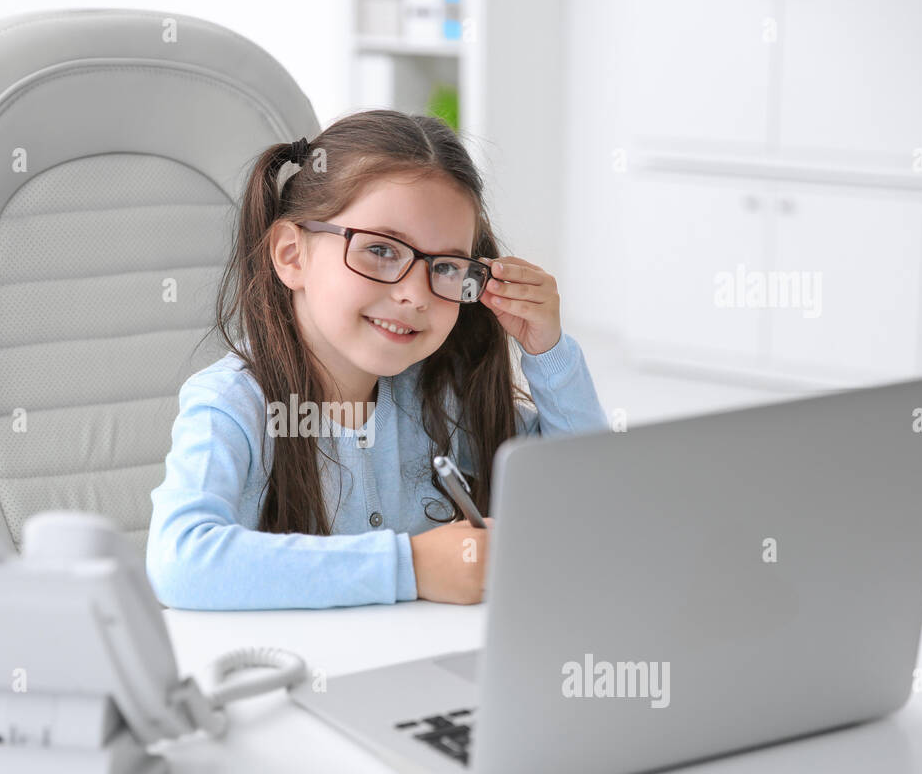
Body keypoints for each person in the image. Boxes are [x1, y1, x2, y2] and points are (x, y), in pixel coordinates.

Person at [146, 110, 608, 609]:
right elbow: (180, 561)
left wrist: (548, 349)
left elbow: (589, 496)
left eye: (447, 266)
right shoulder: (233, 405)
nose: (415, 295)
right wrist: (413, 566)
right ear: (291, 255)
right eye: (381, 251)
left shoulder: (439, 399)